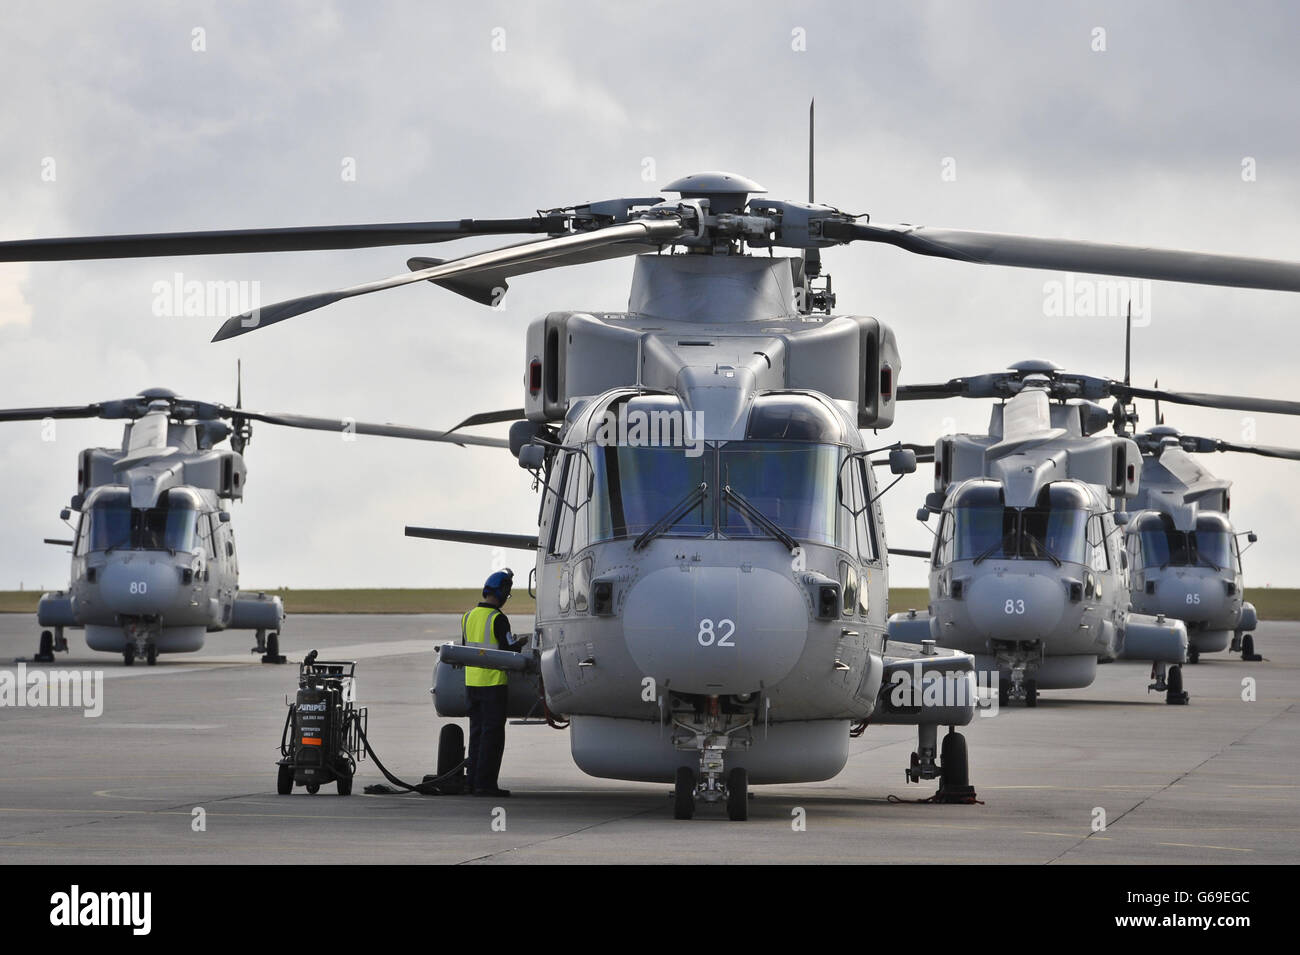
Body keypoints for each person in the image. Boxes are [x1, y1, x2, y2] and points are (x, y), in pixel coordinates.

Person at [460, 569, 526, 797]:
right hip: (492, 685)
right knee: (493, 736)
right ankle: (485, 784)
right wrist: (520, 644)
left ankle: (472, 782)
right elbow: (508, 651)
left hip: (472, 684)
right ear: (501, 592)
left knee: (476, 733)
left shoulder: (468, 616)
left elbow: (465, 649)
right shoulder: (498, 619)